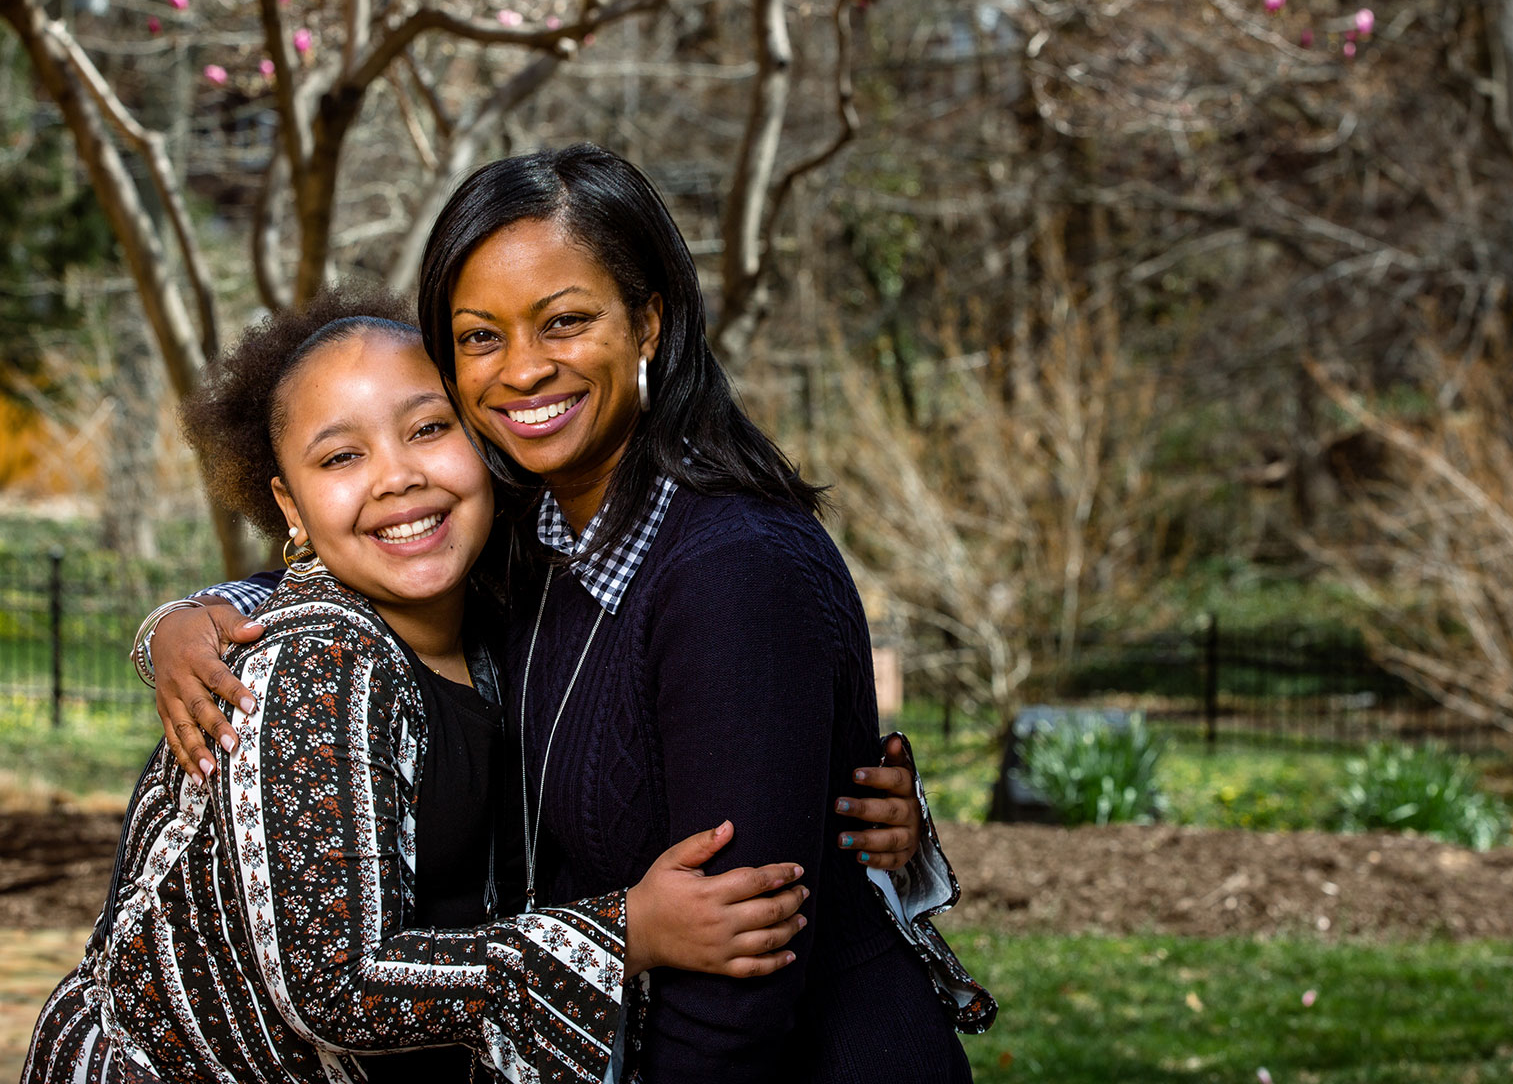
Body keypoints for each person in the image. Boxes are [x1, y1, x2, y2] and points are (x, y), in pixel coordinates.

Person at [152, 144, 995, 1080]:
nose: (523, 370)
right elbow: (363, 569)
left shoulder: (735, 574)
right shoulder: (531, 539)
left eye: (565, 322)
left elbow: (738, 994)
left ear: (647, 322)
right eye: (479, 337)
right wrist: (186, 624)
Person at [23, 297, 813, 1084]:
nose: (398, 476)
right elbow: (333, 985)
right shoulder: (317, 667)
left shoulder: (503, 619)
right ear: (291, 508)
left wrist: (859, 798)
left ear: (484, 442)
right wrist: (625, 933)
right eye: (341, 458)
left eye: (429, 429)